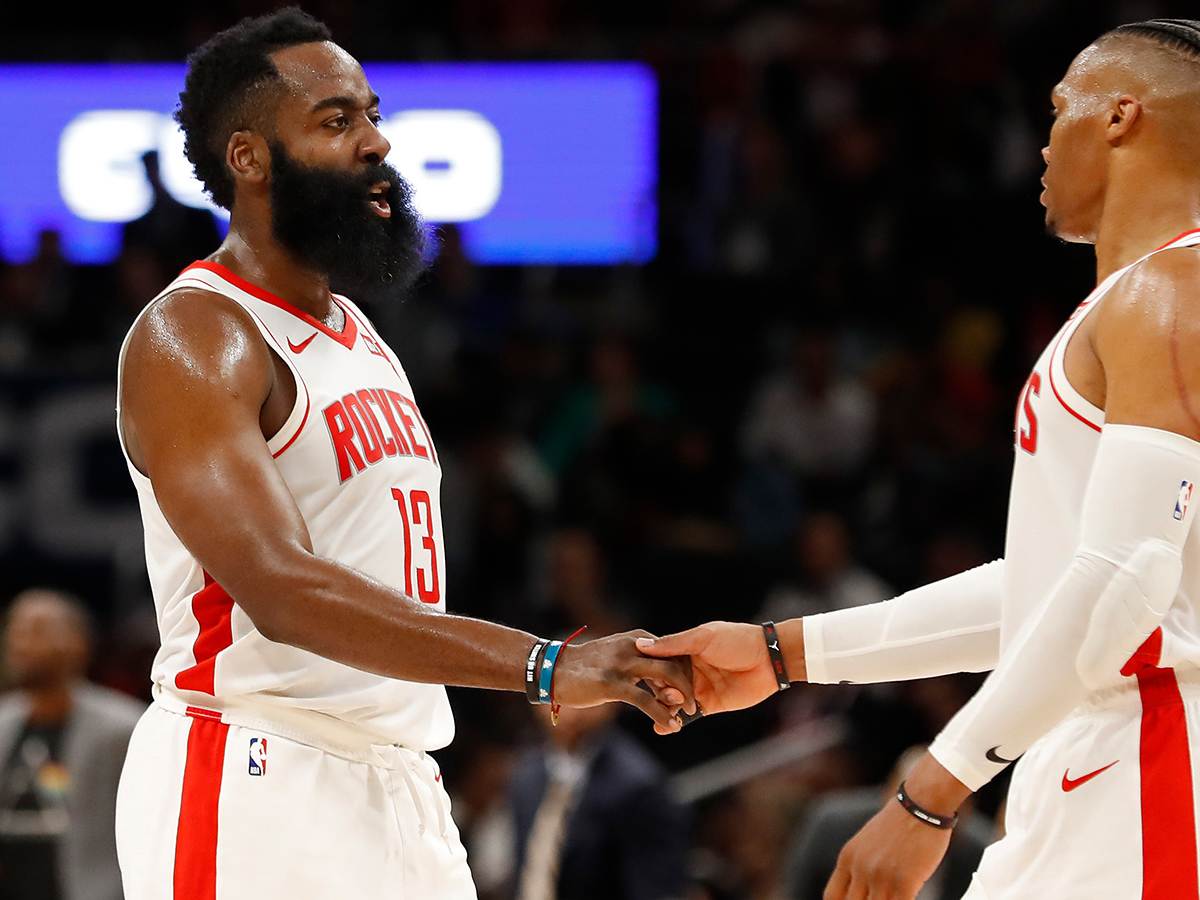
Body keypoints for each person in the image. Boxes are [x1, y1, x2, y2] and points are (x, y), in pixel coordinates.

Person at [112, 9, 693, 900]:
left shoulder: (361, 338)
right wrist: (545, 664)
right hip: (255, 767)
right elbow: (280, 589)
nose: (378, 142)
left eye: (372, 115)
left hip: (400, 780)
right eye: (336, 121)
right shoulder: (196, 333)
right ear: (249, 158)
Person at [639, 18, 1200, 899]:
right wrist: (786, 652)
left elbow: (1125, 578)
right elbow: (1054, 584)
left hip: (1155, 756)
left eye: (1060, 112)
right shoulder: (1137, 301)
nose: (1045, 142)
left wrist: (933, 791)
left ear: (1122, 115)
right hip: (1089, 759)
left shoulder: (1176, 285)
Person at [0, 589, 144, 900]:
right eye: (15, 630)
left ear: (78, 644)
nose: (19, 642)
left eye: (37, 631)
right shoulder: (3, 723)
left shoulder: (122, 728)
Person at [508, 661, 690, 900]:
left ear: (611, 700)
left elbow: (652, 888)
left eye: (577, 693)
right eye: (556, 692)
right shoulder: (526, 773)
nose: (565, 705)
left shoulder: (638, 785)